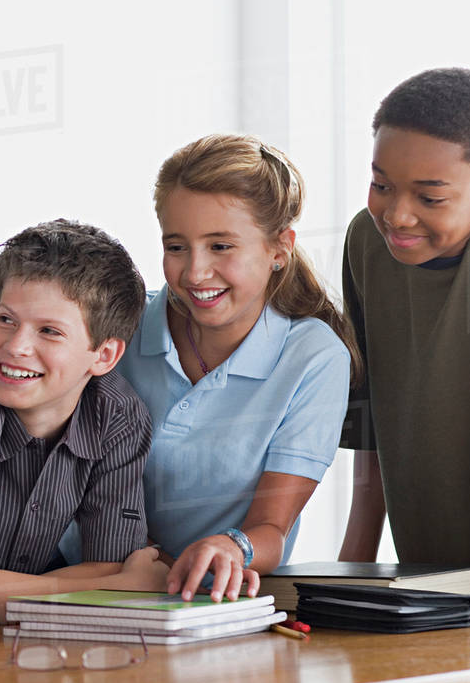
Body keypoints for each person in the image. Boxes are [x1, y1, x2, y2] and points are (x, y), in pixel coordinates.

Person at [118, 135, 357, 602]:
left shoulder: (314, 357)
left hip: (211, 604)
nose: (195, 272)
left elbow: (272, 527)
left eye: (221, 246)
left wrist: (233, 547)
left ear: (279, 249)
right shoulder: (123, 326)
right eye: (176, 246)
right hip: (88, 579)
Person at [0, 219, 167, 625]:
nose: (16, 347)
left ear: (105, 356)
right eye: (6, 319)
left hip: (20, 637)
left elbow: (113, 563)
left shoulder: (119, 415)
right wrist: (118, 588)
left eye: (49, 331)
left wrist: (112, 580)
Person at [337, 69, 470, 593]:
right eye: (381, 185)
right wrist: (352, 562)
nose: (398, 215)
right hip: (434, 575)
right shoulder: (367, 240)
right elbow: (369, 418)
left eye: (430, 198)